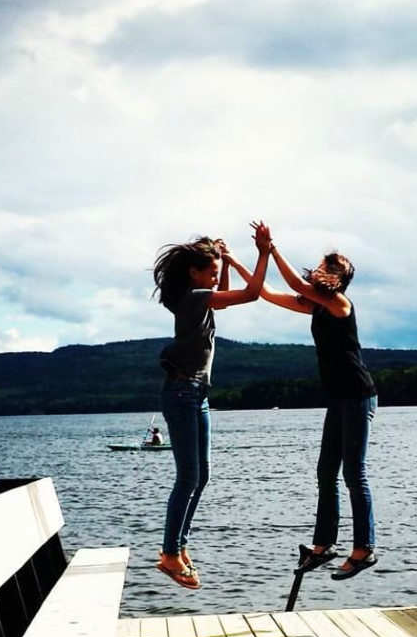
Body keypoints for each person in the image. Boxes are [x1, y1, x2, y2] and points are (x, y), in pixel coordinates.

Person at [228, 224, 378, 580]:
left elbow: (296, 284)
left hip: (358, 396)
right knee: (326, 473)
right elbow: (266, 292)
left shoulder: (339, 303)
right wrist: (236, 261)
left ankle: (364, 550)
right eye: (321, 266)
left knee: (353, 474)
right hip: (338, 399)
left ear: (340, 280)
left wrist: (273, 248)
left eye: (330, 269)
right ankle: (323, 546)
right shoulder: (317, 307)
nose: (321, 272)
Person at [152, 223, 272, 588]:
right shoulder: (193, 299)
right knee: (187, 477)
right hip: (182, 393)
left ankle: (178, 547)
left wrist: (224, 261)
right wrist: (260, 253)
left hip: (197, 395)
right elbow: (251, 294)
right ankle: (170, 554)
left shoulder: (199, 295)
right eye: (211, 271)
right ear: (194, 273)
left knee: (201, 476)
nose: (216, 277)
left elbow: (226, 292)